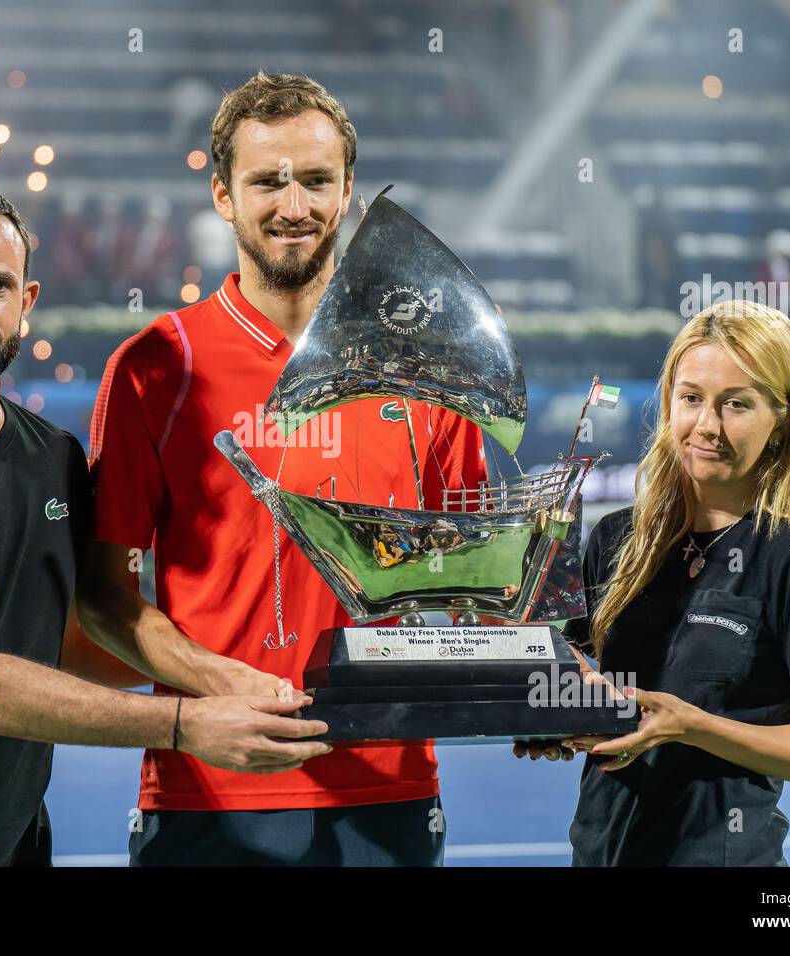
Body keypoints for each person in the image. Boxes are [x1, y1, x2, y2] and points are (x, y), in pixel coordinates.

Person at [0, 184, 329, 867]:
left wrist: (265, 675)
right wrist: (187, 723)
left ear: (27, 302)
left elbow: (64, 641)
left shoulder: (55, 461)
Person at [80, 72, 488, 867]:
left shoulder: (427, 364)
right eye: (267, 181)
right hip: (209, 786)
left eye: (315, 181)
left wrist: (548, 686)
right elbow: (103, 597)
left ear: (347, 193)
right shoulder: (157, 367)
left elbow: (481, 579)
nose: (292, 206)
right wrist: (219, 683)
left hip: (386, 786)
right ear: (224, 195)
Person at [517, 299, 790, 866]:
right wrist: (558, 718)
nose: (707, 425)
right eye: (692, 398)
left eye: (736, 404)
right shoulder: (615, 539)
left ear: (782, 420)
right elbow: (579, 680)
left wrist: (690, 726)